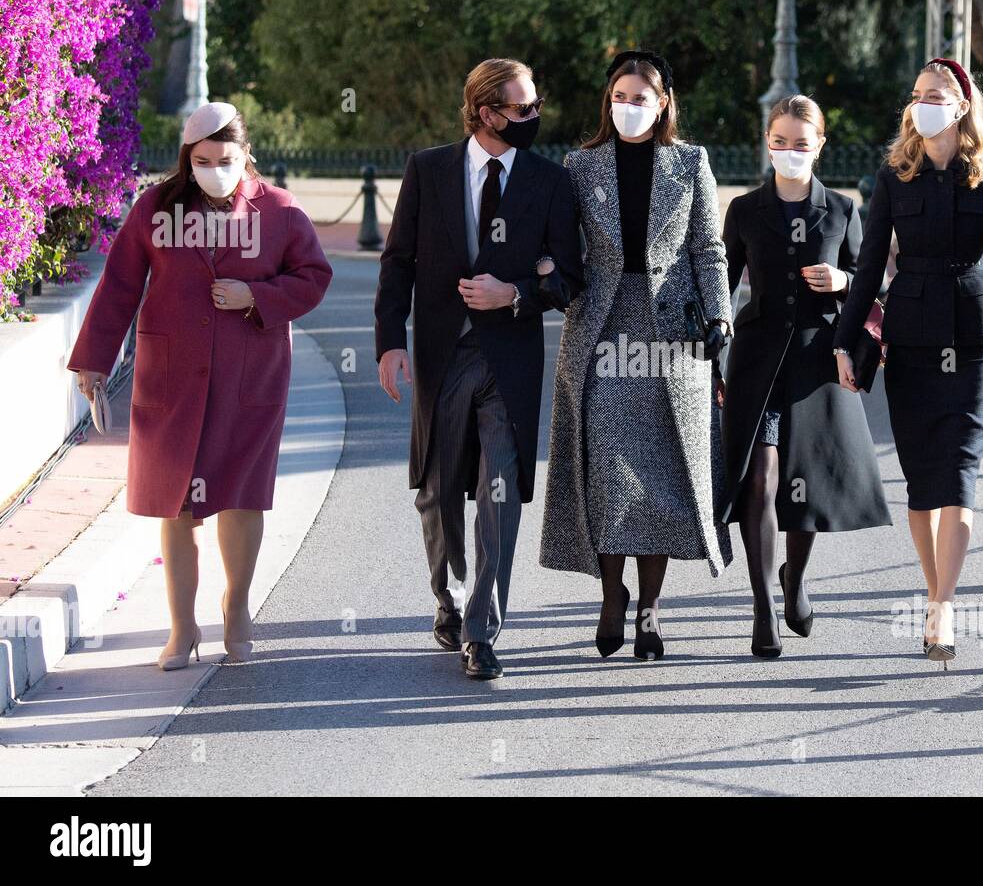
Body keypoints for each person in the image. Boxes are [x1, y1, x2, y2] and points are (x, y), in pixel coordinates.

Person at [68, 102, 332, 671]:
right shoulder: (153, 210)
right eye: (204, 160)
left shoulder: (280, 211)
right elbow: (117, 288)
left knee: (240, 496)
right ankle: (182, 627)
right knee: (177, 506)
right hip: (172, 381)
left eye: (227, 159)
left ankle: (236, 609)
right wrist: (93, 362)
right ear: (187, 160)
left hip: (248, 380)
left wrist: (256, 296)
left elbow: (314, 277)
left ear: (246, 156)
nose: (216, 169)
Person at [374, 58, 582, 681]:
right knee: (438, 493)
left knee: (499, 493)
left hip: (509, 363)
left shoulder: (550, 181)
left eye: (537, 106)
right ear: (487, 112)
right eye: (523, 109)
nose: (534, 118)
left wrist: (516, 293)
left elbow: (570, 281)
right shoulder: (428, 169)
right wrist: (390, 343)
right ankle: (449, 596)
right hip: (442, 358)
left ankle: (482, 629)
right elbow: (397, 263)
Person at [540, 50, 733, 661]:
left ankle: (650, 609)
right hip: (601, 327)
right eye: (619, 97)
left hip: (671, 332)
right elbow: (562, 247)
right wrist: (546, 272)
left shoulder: (690, 163)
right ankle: (611, 594)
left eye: (640, 97)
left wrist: (720, 313)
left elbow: (708, 248)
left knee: (663, 479)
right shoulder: (580, 165)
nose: (628, 107)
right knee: (605, 473)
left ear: (663, 103)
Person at [833, 59, 983, 666]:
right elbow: (868, 265)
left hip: (974, 330)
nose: (921, 105)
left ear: (962, 105)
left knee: (961, 462)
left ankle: (943, 604)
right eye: (916, 95)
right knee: (921, 473)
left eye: (934, 96)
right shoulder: (893, 175)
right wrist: (845, 336)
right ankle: (934, 590)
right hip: (909, 332)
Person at [720, 94, 890, 659]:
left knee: (807, 481)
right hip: (758, 360)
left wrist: (842, 281)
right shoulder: (744, 210)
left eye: (801, 142)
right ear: (768, 143)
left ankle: (795, 579)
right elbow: (721, 282)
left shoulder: (842, 209)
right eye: (780, 141)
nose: (789, 151)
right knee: (762, 480)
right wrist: (709, 347)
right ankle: (763, 605)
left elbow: (871, 283)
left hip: (819, 361)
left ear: (820, 145)